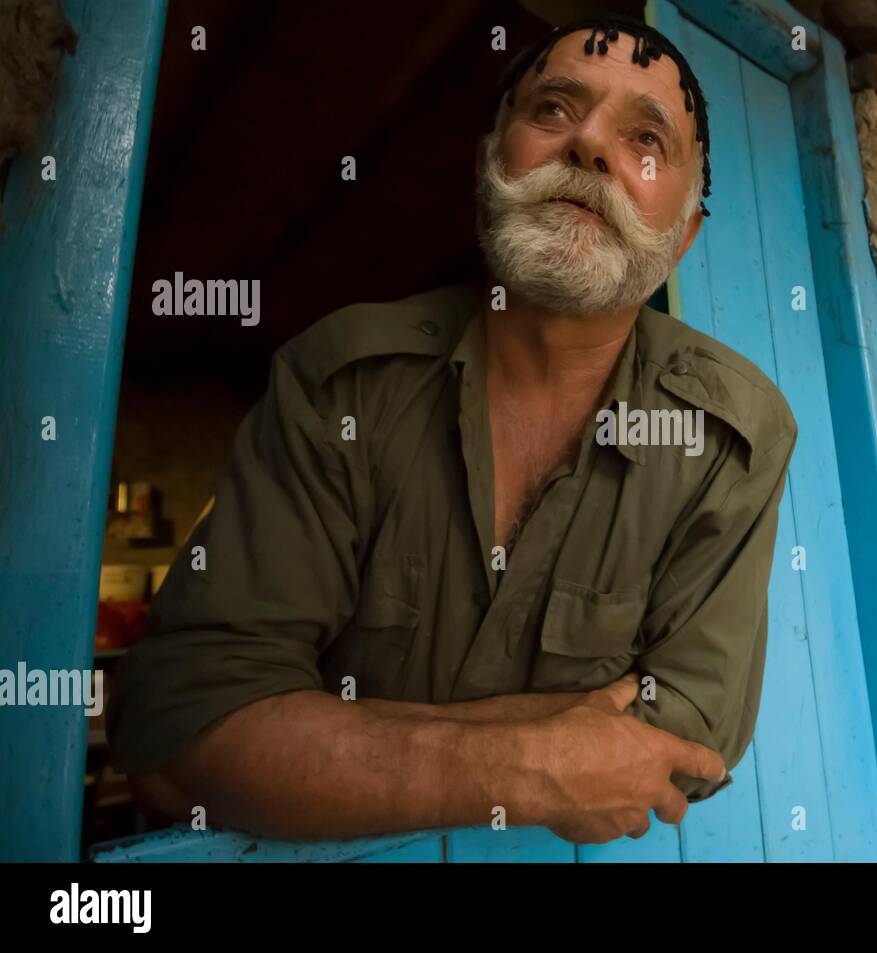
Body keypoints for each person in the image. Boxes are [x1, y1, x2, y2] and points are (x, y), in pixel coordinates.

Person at [108, 14, 796, 846]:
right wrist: (534, 761)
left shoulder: (732, 433)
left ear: (684, 232)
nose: (589, 146)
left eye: (645, 137)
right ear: (488, 162)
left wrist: (319, 732)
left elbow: (689, 744)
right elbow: (173, 737)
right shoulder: (339, 381)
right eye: (553, 110)